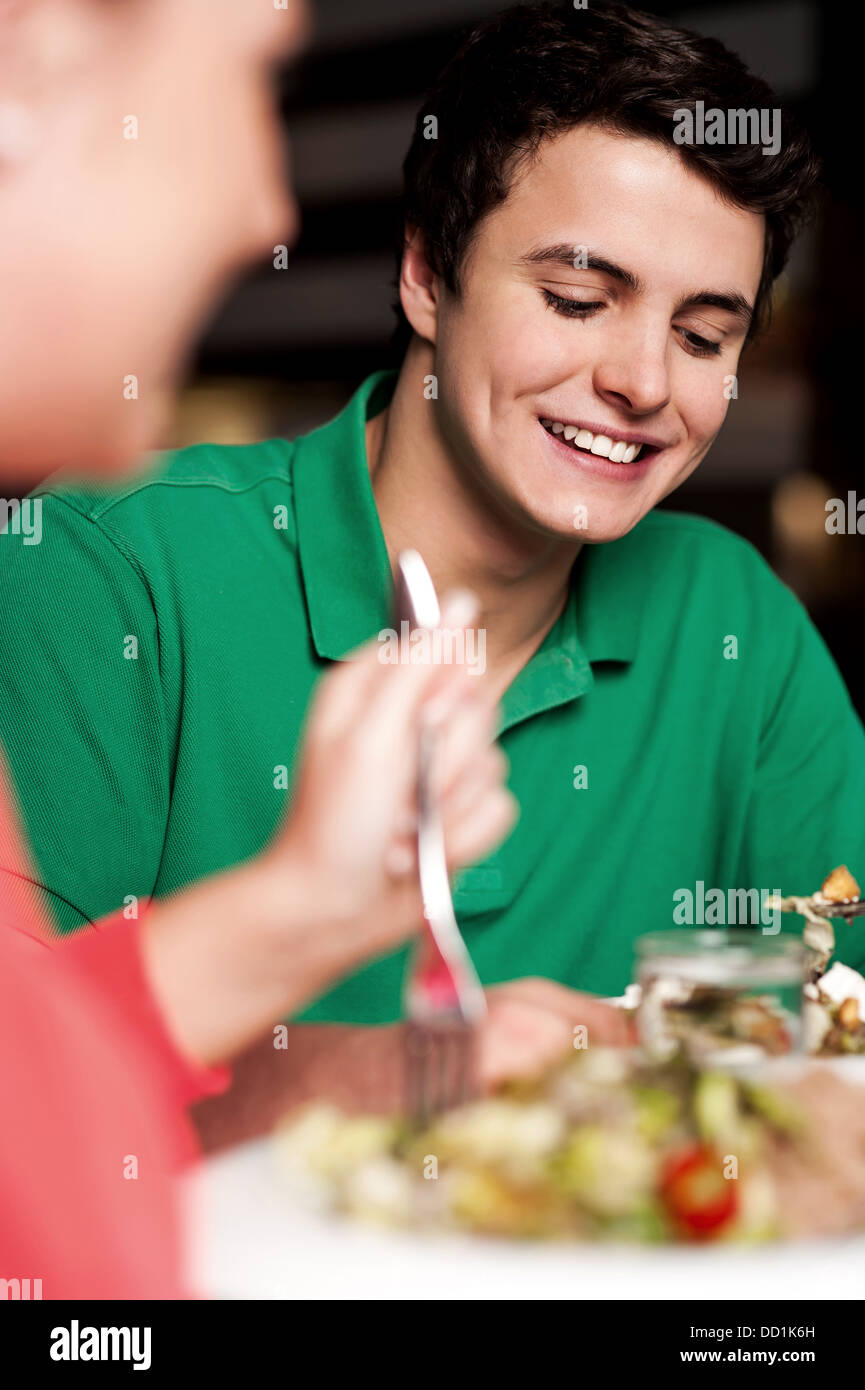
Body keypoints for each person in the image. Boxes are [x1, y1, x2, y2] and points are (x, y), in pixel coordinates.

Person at [4, 0, 860, 1146]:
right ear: (422, 271)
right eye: (574, 299)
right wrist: (392, 1080)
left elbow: (833, 1037)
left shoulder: (735, 625)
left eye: (704, 337)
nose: (645, 381)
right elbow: (25, 1103)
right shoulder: (108, 565)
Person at [0, 0, 622, 1301]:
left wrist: (296, 912)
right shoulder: (89, 562)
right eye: (248, 79)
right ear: (40, 54)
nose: (265, 210)